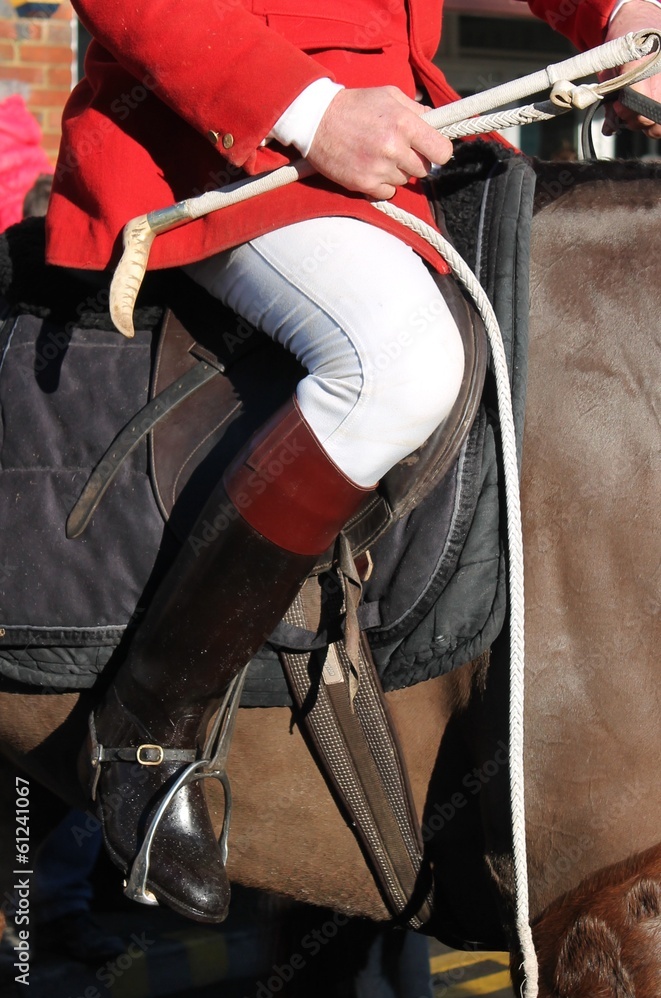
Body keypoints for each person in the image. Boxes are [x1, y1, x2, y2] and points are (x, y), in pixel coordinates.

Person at [45, 0, 661, 923]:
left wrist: (620, 14)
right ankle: (143, 728)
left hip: (409, 134)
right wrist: (308, 109)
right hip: (228, 149)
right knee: (397, 365)